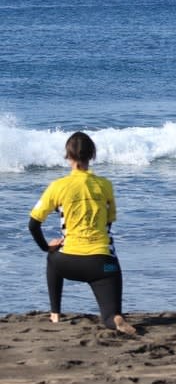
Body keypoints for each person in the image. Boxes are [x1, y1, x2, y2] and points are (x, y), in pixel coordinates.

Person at [28, 132, 136, 334]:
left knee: (52, 256)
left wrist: (47, 247)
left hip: (67, 262)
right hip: (102, 265)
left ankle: (55, 314)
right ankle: (116, 319)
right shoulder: (105, 185)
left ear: (68, 156)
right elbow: (108, 224)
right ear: (92, 156)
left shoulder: (58, 186)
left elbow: (33, 224)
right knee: (109, 315)